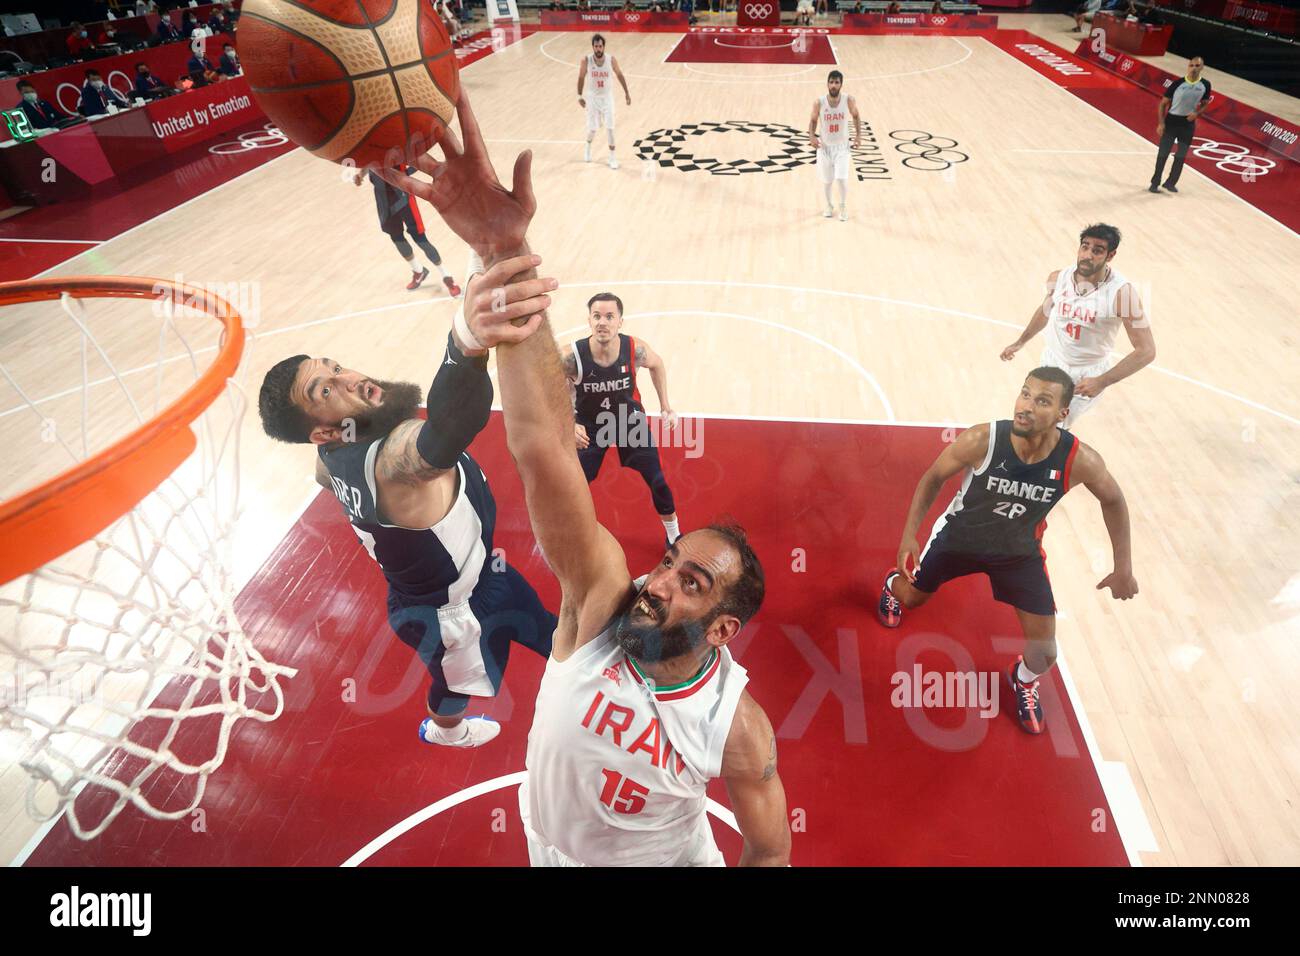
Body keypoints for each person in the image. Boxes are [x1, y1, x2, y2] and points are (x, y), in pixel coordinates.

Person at [376, 89, 792, 866]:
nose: (659, 581)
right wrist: (500, 250)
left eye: (692, 582)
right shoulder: (601, 606)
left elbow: (769, 856)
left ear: (725, 630)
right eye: (671, 563)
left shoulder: (733, 725)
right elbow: (540, 448)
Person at [257, 322, 557, 750]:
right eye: (325, 391)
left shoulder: (330, 454)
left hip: (483, 574)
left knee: (547, 629)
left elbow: (326, 475)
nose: (350, 379)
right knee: (453, 691)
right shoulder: (392, 460)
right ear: (321, 431)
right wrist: (464, 341)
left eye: (336, 368)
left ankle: (604, 681)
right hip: (449, 614)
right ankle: (446, 731)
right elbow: (449, 429)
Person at [876, 368, 1139, 735]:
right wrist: (909, 537)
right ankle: (891, 587)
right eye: (1025, 394)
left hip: (1019, 554)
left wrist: (1122, 567)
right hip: (958, 540)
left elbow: (1113, 499)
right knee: (912, 599)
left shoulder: (1079, 460)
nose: (1026, 406)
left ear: (1063, 413)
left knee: (1045, 653)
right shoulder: (983, 439)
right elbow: (933, 476)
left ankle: (1022, 678)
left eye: (1042, 401)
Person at [999, 224, 1154, 428]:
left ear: (1111, 255)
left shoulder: (1123, 295)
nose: (1088, 255)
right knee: (1031, 419)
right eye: (1085, 247)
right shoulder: (1057, 278)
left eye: (1097, 250)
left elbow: (1147, 351)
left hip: (1086, 373)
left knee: (1051, 429)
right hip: (1052, 361)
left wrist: (1102, 381)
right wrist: (1020, 342)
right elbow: (1045, 310)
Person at [564, 292, 682, 550]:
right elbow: (548, 389)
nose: (602, 322)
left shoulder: (633, 349)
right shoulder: (571, 357)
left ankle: (674, 534)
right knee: (575, 485)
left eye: (609, 316)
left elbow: (658, 364)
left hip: (629, 422)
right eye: (597, 316)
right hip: (590, 427)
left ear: (620, 322)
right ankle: (574, 533)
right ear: (589, 320)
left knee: (657, 478)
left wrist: (665, 406)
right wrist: (568, 423)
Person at [353, 166, 462, 295]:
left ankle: (447, 277)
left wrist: (412, 172)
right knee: (396, 238)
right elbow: (368, 161)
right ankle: (418, 271)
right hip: (383, 199)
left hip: (402, 196)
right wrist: (361, 174)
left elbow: (415, 157)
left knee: (420, 239)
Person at [1149, 55, 1211, 194]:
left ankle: (1170, 183)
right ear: (1188, 66)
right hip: (1171, 121)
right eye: (1192, 65)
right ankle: (1155, 182)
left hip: (1187, 125)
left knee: (1181, 155)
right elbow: (1163, 104)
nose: (1194, 68)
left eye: (1197, 66)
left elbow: (1205, 103)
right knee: (1163, 154)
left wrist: (1197, 113)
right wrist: (1161, 123)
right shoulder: (1177, 84)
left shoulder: (1205, 85)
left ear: (1202, 68)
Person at [808, 70, 861, 222]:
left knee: (841, 178)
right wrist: (811, 136)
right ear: (827, 84)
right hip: (824, 148)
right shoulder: (819, 102)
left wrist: (858, 135)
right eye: (831, 82)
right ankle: (829, 205)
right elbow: (812, 121)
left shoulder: (848, 100)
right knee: (827, 180)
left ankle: (843, 206)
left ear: (841, 84)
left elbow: (856, 115)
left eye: (837, 82)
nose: (833, 85)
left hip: (842, 148)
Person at [578, 34, 631, 170]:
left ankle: (612, 157)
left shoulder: (611, 60)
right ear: (593, 47)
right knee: (593, 128)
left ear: (603, 47)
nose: (598, 49)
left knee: (610, 128)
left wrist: (626, 93)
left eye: (600, 46)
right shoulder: (586, 60)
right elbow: (581, 77)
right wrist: (579, 96)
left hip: (607, 98)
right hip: (592, 98)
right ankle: (588, 146)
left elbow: (619, 75)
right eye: (596, 46)